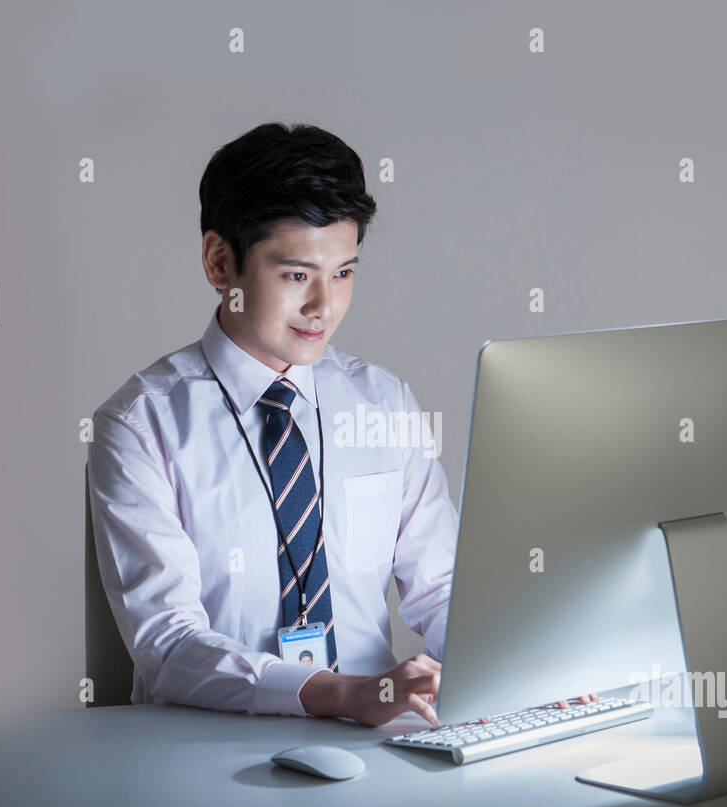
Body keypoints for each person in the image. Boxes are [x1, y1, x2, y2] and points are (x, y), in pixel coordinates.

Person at [87, 122, 457, 728]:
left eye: (343, 273)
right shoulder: (140, 425)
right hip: (205, 752)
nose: (324, 306)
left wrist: (516, 668)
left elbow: (442, 589)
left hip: (378, 741)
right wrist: (338, 693)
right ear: (219, 262)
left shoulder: (384, 403)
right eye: (295, 275)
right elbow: (169, 643)